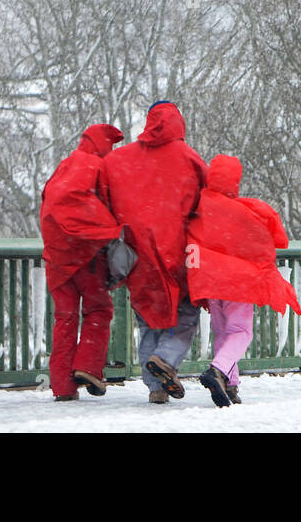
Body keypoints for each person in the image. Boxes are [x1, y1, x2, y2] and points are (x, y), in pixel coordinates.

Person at [100, 101, 207, 404]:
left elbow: (104, 200)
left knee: (148, 319)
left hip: (139, 257)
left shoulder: (118, 161)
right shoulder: (188, 158)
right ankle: (165, 359)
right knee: (185, 315)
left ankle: (155, 385)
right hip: (180, 254)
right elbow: (208, 201)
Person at [187, 154, 301, 407]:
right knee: (241, 331)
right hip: (237, 282)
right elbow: (279, 239)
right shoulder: (246, 209)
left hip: (208, 280)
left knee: (222, 332)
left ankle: (230, 384)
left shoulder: (198, 206)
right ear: (235, 182)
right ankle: (217, 369)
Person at [39, 123, 125, 401]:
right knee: (99, 310)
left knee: (64, 319)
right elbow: (109, 204)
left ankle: (62, 386)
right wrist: (112, 231)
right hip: (87, 257)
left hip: (56, 259)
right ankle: (88, 367)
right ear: (104, 146)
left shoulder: (64, 166)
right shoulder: (97, 167)